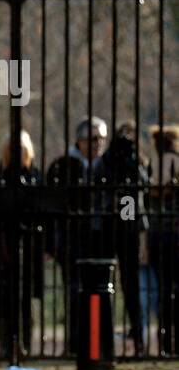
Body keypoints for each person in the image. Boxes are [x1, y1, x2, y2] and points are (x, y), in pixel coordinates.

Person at [0, 131, 44, 360]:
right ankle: (6, 346)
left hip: (28, 248)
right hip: (1, 250)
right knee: (1, 300)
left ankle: (24, 345)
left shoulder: (36, 180)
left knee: (26, 300)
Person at [45, 116, 109, 353]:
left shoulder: (109, 166)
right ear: (79, 141)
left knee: (102, 291)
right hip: (72, 238)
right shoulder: (62, 166)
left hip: (101, 236)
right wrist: (51, 243)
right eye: (92, 138)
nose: (98, 144)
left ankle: (99, 344)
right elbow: (52, 207)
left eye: (102, 138)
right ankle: (75, 342)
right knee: (74, 291)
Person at [100, 121, 150, 354]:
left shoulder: (121, 161)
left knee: (119, 283)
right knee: (120, 284)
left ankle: (130, 333)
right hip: (122, 224)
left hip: (119, 223)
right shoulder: (128, 160)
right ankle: (129, 334)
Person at [148, 124, 179, 354]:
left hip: (157, 234)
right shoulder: (175, 162)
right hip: (174, 233)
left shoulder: (151, 164)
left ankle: (164, 341)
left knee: (162, 290)